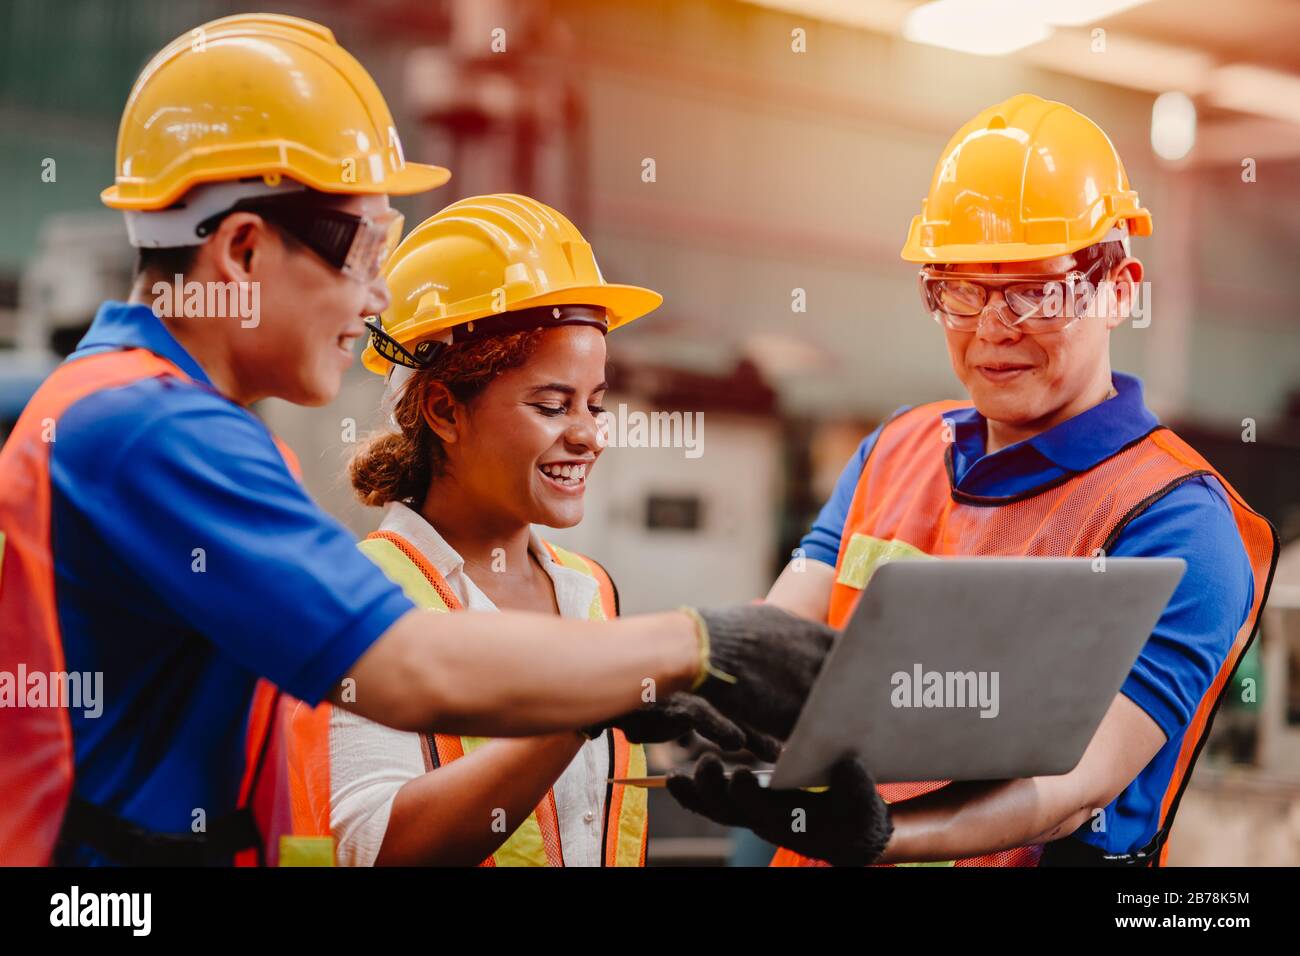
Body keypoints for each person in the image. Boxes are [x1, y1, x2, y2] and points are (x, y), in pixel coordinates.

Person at [0, 14, 833, 867]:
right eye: (361, 249)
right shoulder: (154, 429)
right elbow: (402, 667)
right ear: (243, 252)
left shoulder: (148, 415)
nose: (373, 301)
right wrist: (701, 645)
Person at [667, 93, 1277, 868]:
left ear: (1120, 288)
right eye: (960, 290)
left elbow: (1077, 786)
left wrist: (886, 838)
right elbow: (783, 631)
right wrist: (707, 683)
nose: (993, 329)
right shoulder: (894, 449)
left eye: (1036, 291)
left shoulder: (1176, 521)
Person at [298, 194, 668, 866]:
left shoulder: (591, 592)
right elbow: (379, 848)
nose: (587, 435)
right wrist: (585, 703)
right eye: (553, 405)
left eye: (596, 403)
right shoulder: (362, 596)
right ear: (444, 408)